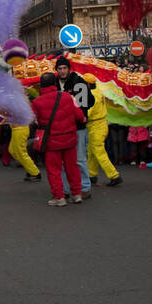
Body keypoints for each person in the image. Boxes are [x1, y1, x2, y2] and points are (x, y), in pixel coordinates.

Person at [31, 71, 86, 206]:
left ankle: (59, 197)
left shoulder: (37, 102)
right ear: (54, 83)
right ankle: (77, 194)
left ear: (41, 85)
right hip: (69, 138)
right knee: (72, 167)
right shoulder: (67, 97)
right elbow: (80, 116)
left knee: (54, 170)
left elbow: (34, 121)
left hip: (51, 141)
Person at [55, 55, 93, 198]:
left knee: (80, 159)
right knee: (64, 161)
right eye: (60, 68)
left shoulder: (78, 82)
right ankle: (65, 189)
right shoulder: (55, 83)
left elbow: (85, 104)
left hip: (78, 127)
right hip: (61, 128)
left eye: (65, 68)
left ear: (69, 69)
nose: (62, 71)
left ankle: (85, 188)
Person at [84, 74, 122, 187]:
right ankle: (92, 176)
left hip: (96, 126)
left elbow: (87, 113)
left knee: (99, 152)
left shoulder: (91, 96)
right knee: (91, 152)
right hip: (99, 125)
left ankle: (114, 176)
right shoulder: (97, 91)